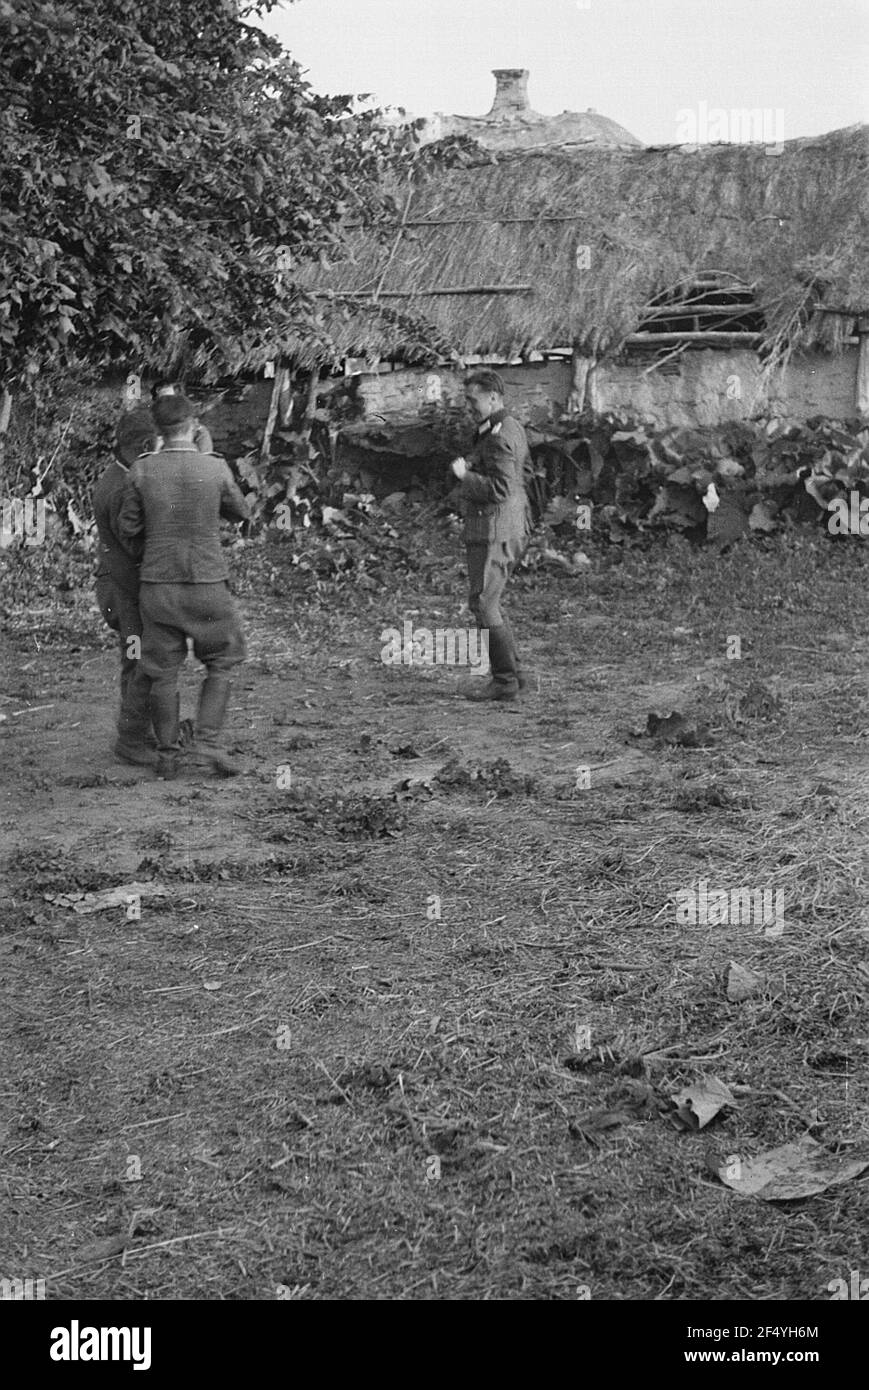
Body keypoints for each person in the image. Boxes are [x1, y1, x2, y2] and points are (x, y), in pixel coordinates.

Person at [117, 394, 250, 779]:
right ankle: (207, 744)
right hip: (208, 582)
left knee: (162, 672)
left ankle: (169, 756)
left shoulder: (141, 471)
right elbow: (242, 512)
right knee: (222, 662)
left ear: (157, 432)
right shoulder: (214, 468)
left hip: (158, 588)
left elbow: (128, 531)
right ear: (194, 424)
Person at [450, 371, 531, 701]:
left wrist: (464, 476)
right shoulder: (505, 427)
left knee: (483, 602)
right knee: (489, 601)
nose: (469, 406)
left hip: (494, 527)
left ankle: (505, 681)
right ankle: (515, 674)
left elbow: (499, 487)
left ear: (493, 398)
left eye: (473, 400)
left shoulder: (498, 434)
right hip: (506, 524)